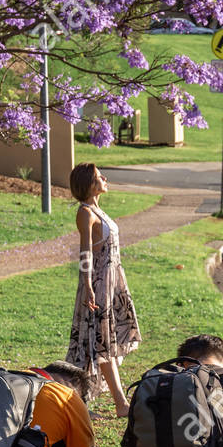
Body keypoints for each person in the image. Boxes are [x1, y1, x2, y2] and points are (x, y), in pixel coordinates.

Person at [66, 162, 140, 417]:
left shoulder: (99, 210)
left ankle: (109, 403)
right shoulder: (85, 212)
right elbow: (85, 251)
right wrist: (87, 284)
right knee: (98, 343)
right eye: (99, 177)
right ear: (89, 183)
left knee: (104, 342)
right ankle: (119, 403)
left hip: (111, 280)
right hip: (97, 282)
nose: (105, 179)